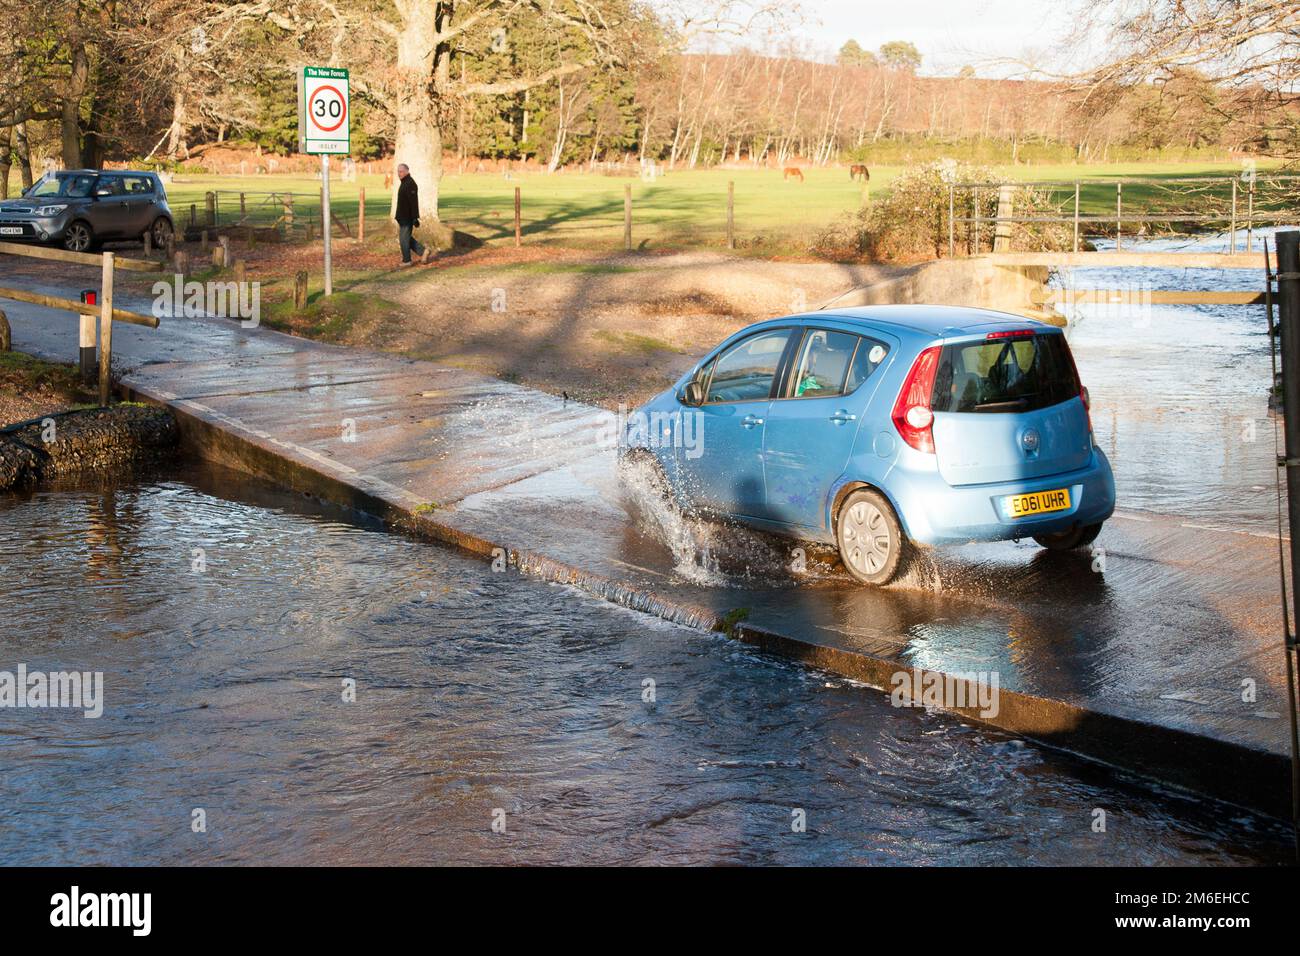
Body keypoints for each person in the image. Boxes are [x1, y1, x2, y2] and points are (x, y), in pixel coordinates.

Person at [394, 163, 433, 266]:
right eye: (398, 171)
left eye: (401, 171)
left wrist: (415, 217)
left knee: (403, 239)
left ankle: (407, 261)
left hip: (407, 217)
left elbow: (414, 202)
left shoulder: (410, 183)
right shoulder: (404, 182)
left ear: (407, 171)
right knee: (405, 238)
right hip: (402, 217)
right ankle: (423, 251)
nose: (399, 173)